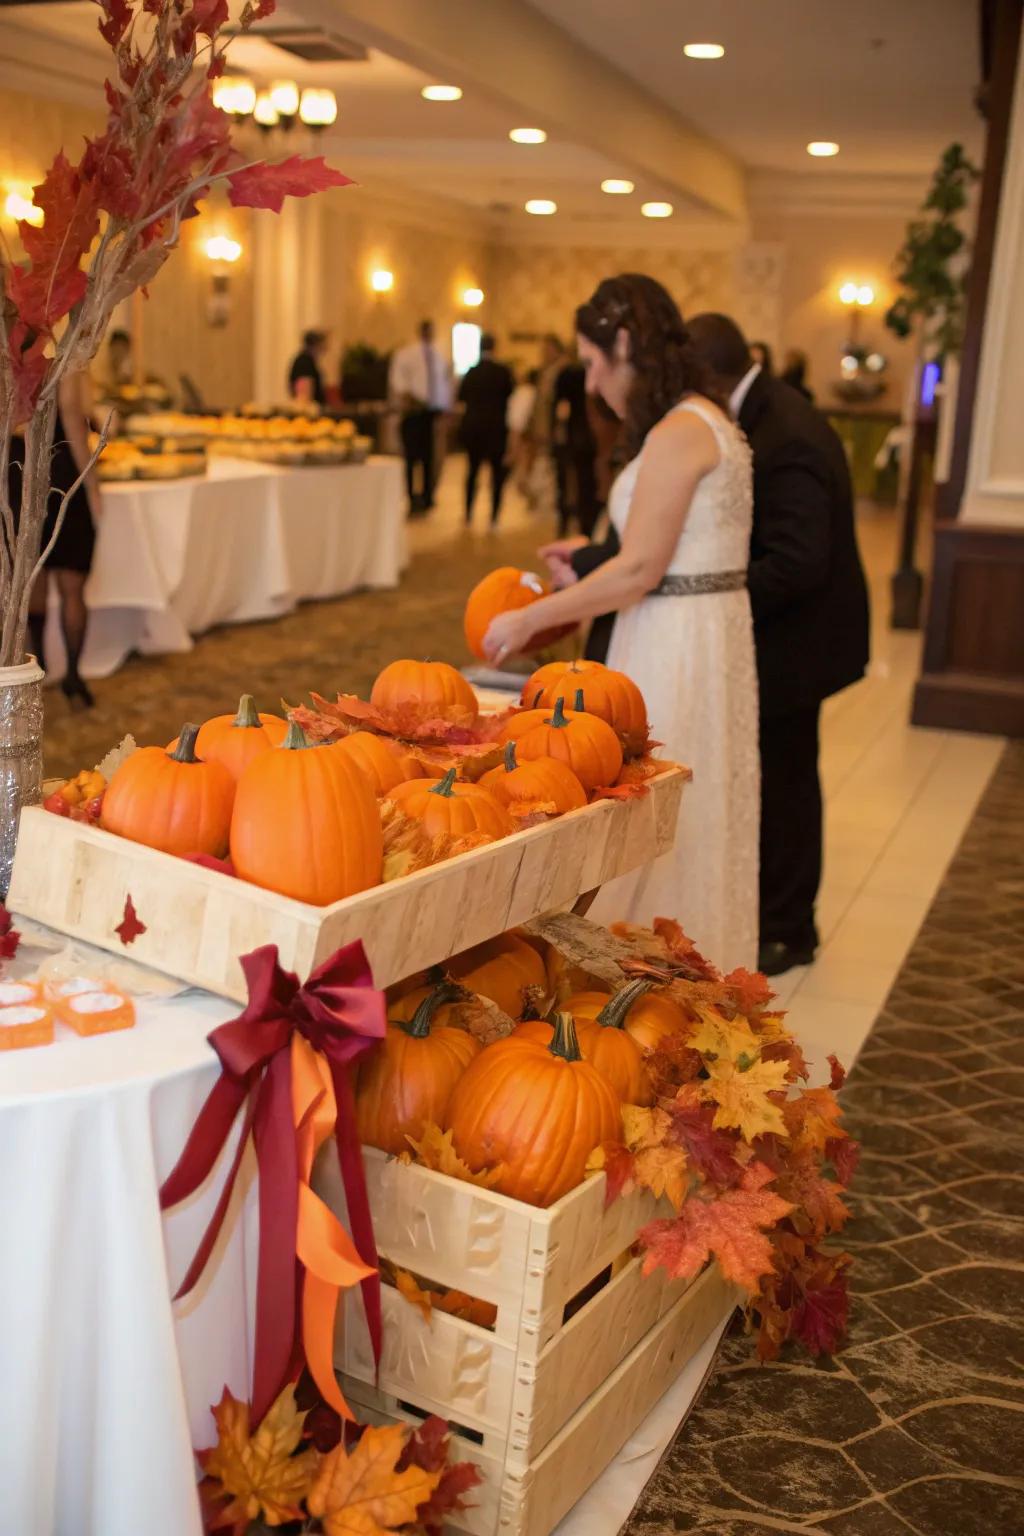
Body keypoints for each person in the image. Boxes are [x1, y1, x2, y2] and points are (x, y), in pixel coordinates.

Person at [482, 274, 758, 971]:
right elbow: (669, 549)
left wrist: (529, 620)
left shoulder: (679, 430)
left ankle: (649, 975)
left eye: (595, 363)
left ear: (627, 344)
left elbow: (640, 570)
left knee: (657, 814)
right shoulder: (705, 417)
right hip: (700, 624)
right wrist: (587, 555)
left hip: (675, 639)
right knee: (682, 804)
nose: (594, 383)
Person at [9, 372, 102, 708]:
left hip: (19, 471)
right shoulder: (66, 357)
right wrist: (92, 483)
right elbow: (73, 413)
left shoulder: (10, 354)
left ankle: (40, 672)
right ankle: (74, 677)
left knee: (33, 579)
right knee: (72, 584)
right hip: (60, 468)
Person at [388, 320, 453, 515]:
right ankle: (411, 497)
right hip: (413, 412)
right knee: (410, 458)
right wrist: (414, 400)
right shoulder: (407, 354)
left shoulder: (439, 356)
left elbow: (444, 384)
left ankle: (427, 496)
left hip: (431, 414)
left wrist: (444, 408)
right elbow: (399, 383)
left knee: (429, 458)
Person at [458, 333, 514, 526]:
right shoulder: (503, 372)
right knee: (497, 474)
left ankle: (468, 513)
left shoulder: (472, 372)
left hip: (474, 429)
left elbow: (461, 397)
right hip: (496, 430)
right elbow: (509, 398)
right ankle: (494, 516)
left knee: (472, 472)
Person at [552, 357, 600, 537]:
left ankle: (567, 522)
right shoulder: (593, 372)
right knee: (587, 483)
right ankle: (587, 526)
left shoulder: (567, 375)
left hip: (575, 436)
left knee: (566, 482)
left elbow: (561, 408)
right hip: (591, 438)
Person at [506, 367, 539, 505]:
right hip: (525, 437)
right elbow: (518, 421)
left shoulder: (524, 392)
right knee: (525, 473)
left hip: (525, 437)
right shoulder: (528, 393)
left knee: (525, 473)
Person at [288, 329, 328, 406]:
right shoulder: (304, 362)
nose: (325, 349)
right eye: (322, 345)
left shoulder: (307, 361)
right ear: (315, 345)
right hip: (308, 412)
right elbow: (303, 396)